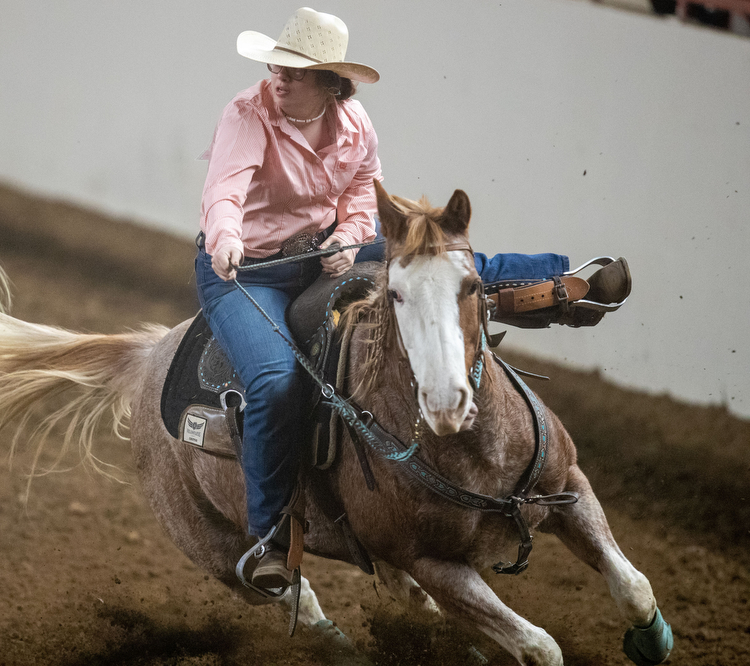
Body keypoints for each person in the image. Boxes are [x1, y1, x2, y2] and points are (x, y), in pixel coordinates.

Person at [194, 7, 628, 589]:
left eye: (296, 71)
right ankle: (269, 539)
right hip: (247, 274)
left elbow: (359, 193)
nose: (279, 76)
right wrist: (225, 240)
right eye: (277, 65)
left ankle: (565, 288)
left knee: (440, 266)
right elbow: (225, 189)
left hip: (326, 252)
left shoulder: (355, 125)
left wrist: (349, 239)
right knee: (274, 381)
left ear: (331, 84)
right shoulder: (248, 114)